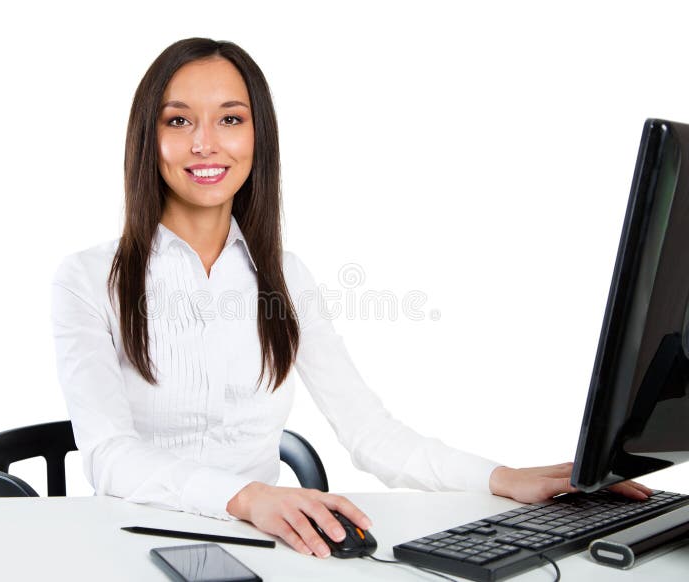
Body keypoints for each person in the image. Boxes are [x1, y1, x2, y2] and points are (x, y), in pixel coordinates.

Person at [50, 37, 652, 559]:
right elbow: (111, 457)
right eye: (178, 121)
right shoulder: (87, 277)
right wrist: (249, 497)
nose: (206, 144)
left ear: (259, 136)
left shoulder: (283, 275)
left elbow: (371, 433)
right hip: (130, 544)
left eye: (231, 119)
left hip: (269, 550)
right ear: (147, 138)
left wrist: (504, 478)